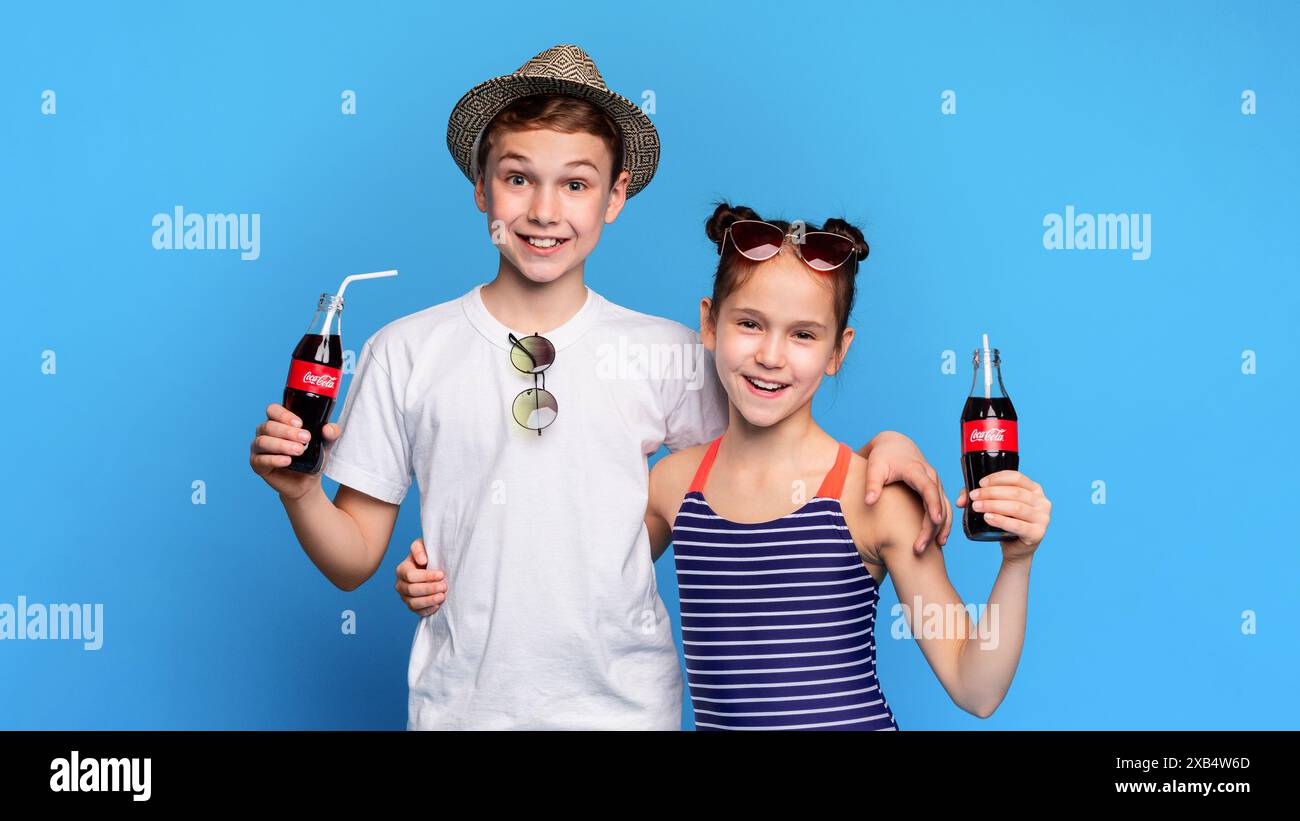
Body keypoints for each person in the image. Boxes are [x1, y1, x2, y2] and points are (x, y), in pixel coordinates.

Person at [251, 44, 951, 730]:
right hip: (460, 709)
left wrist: (888, 448)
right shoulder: (406, 351)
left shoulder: (669, 355)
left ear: (616, 196)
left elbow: (778, 460)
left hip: (625, 709)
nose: (545, 210)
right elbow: (353, 559)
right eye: (518, 178)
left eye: (577, 183)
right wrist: (302, 491)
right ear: (480, 186)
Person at [648, 203, 1051, 728]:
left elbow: (976, 687)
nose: (772, 355)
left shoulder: (874, 497)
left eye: (804, 335)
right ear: (709, 323)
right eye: (750, 323)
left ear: (839, 350)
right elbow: (578, 596)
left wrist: (1016, 563)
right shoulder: (672, 487)